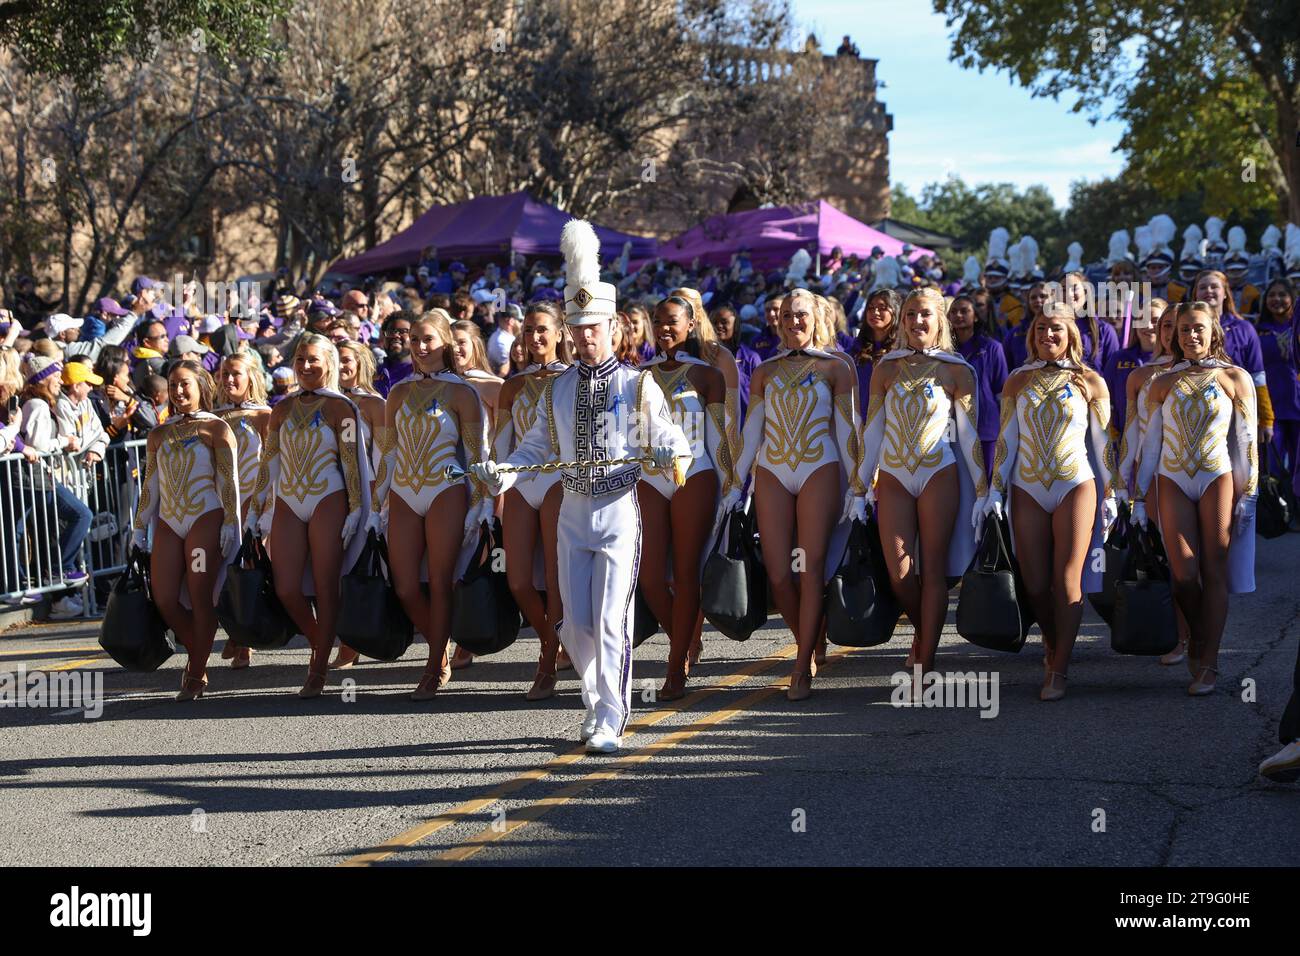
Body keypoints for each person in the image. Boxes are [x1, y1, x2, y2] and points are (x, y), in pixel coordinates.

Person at [472, 219, 690, 753]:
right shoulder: (557, 389)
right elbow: (537, 447)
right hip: (571, 509)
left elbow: (667, 436)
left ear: (613, 327)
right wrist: (505, 469)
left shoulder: (636, 384)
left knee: (613, 617)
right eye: (579, 329)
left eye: (595, 327)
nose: (586, 337)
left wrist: (668, 450)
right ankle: (594, 702)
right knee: (575, 622)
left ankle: (610, 717)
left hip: (618, 507)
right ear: (569, 331)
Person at [727, 287, 865, 701]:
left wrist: (858, 483)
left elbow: (847, 428)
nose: (793, 322)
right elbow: (752, 430)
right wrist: (735, 484)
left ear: (817, 318)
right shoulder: (766, 370)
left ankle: (802, 662)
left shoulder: (838, 366)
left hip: (818, 468)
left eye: (801, 315)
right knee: (778, 572)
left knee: (810, 567)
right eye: (786, 315)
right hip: (772, 470)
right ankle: (810, 633)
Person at [983, 304, 1117, 701]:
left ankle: (1059, 667)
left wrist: (1114, 494)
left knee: (1066, 580)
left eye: (1056, 329)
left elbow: (1103, 442)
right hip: (1027, 487)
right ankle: (1054, 642)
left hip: (1075, 483)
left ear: (1071, 335)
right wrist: (995, 489)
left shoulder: (1091, 381)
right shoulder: (1017, 380)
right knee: (1036, 582)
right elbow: (1007, 440)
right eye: (1040, 328)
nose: (1048, 335)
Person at [860, 288, 985, 681]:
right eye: (910, 314)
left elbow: (968, 435)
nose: (917, 321)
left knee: (933, 571)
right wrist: (858, 485)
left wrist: (985, 489)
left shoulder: (957, 369)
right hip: (894, 476)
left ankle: (925, 658)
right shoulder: (886, 367)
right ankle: (924, 629)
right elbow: (873, 430)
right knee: (899, 572)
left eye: (925, 314)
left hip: (939, 472)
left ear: (940, 321)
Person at [1133, 301, 1258, 696]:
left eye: (1198, 328)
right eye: (1184, 329)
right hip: (1171, 478)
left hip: (1216, 477)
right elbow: (1150, 443)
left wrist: (1249, 494)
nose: (1191, 336)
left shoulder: (1235, 378)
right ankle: (1200, 637)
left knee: (1214, 568)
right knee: (1184, 572)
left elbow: (1247, 439)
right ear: (1174, 335)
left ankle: (1209, 662)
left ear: (1214, 331)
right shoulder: (1161, 381)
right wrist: (1138, 496)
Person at [373, 311, 490, 699]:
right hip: (405, 492)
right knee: (405, 585)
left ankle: (432, 664)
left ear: (445, 343)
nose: (420, 348)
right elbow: (388, 453)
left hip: (446, 490)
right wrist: (376, 505)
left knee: (441, 583)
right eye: (415, 340)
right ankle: (439, 651)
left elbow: (477, 456)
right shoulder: (399, 391)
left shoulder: (462, 392)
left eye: (428, 340)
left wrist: (479, 505)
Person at [247, 335, 371, 699]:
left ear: (329, 363)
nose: (304, 366)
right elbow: (268, 463)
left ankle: (317, 668)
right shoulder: (281, 409)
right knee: (285, 587)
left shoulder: (341, 407)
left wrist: (357, 508)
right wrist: (257, 510)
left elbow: (351, 461)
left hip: (328, 497)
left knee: (325, 584)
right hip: (288, 500)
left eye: (312, 359)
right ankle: (322, 641)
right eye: (300, 359)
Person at [640, 295, 733, 700]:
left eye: (672, 321)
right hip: (648, 475)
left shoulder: (708, 376)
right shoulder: (637, 376)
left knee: (685, 572)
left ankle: (675, 668)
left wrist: (731, 485)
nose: (663, 328)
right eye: (657, 321)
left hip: (695, 472)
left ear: (691, 325)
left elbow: (719, 437)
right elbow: (630, 431)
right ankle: (684, 639)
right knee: (648, 576)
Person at [130, 361, 240, 699]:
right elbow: (150, 485)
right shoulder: (158, 433)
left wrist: (231, 520)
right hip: (169, 521)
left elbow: (228, 480)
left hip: (205, 517)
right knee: (163, 597)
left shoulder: (217, 428)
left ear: (200, 385)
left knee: (199, 596)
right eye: (173, 385)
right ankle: (199, 655)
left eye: (185, 384)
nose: (178, 392)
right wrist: (138, 527)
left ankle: (194, 674)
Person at [492, 301, 571, 699]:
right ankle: (552, 640)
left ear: (559, 333)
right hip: (522, 480)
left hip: (560, 479)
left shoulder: (574, 378)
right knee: (519, 579)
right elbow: (502, 442)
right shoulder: (513, 384)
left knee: (557, 581)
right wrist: (494, 485)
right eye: (527, 330)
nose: (535, 337)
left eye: (542, 329)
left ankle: (546, 663)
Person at [1115, 304, 1191, 666]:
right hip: (1153, 476)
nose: (1170, 333)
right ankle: (1175, 634)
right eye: (1165, 326)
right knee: (1166, 558)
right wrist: (1121, 483)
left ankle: (1196, 634)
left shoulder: (1203, 371)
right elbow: (1131, 432)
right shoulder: (1141, 375)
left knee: (1193, 564)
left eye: (1177, 326)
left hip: (1198, 475)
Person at [327, 340, 388, 670]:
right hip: (328, 493)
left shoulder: (374, 405)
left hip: (365, 498)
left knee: (359, 568)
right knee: (333, 572)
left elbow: (383, 460)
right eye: (337, 361)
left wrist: (379, 506)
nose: (342, 366)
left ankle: (352, 644)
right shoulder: (325, 402)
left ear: (362, 363)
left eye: (347, 360)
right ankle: (344, 640)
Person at [214, 352, 272, 670]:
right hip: (222, 502)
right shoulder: (214, 416)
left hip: (254, 499)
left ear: (251, 376)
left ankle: (245, 638)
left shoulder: (265, 415)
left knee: (247, 569)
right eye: (224, 374)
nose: (229, 380)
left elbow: (272, 462)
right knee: (223, 572)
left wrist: (262, 507)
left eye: (235, 373)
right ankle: (234, 630)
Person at [1193, 269, 1273, 447]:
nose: (1208, 291)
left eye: (1214, 286)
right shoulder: (1186, 329)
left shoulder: (1244, 328)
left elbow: (1257, 375)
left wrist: (1266, 418)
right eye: (1202, 287)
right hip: (1195, 413)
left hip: (1237, 413)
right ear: (1195, 294)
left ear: (1225, 293)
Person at [950, 292, 1008, 479]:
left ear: (975, 316)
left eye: (964, 311)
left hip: (986, 428)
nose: (959, 315)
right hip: (952, 430)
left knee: (987, 482)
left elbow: (1001, 391)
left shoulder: (992, 348)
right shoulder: (943, 351)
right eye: (954, 312)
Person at [1256, 279, 1299, 506]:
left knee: (1298, 466)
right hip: (1271, 408)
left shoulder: (1298, 327)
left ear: (1292, 298)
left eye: (1283, 294)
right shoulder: (1257, 330)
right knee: (1272, 464)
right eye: (1272, 295)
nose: (1277, 299)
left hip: (1297, 404)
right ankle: (1279, 511)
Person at [374, 311, 414, 397]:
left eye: (403, 331)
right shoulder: (374, 372)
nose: (395, 335)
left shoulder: (422, 374)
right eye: (390, 331)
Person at [486, 303, 522, 377]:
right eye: (519, 321)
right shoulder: (502, 342)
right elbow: (504, 373)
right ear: (511, 321)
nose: (521, 324)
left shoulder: (498, 336)